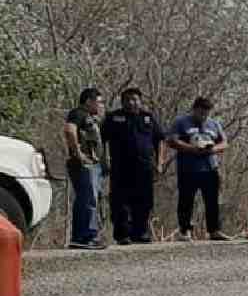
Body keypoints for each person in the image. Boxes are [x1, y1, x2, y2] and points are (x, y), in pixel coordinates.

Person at [102, 86, 166, 244]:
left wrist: (159, 163)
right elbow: (102, 140)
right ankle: (122, 235)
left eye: (135, 99)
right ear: (122, 102)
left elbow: (160, 141)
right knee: (120, 202)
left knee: (144, 201)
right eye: (127, 100)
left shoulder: (148, 118)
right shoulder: (113, 118)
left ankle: (141, 233)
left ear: (140, 101)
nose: (131, 103)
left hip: (144, 167)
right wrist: (104, 159)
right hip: (120, 167)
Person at [168, 97, 229, 241]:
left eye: (206, 113)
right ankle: (185, 231)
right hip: (188, 168)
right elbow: (172, 140)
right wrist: (192, 149)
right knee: (186, 200)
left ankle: (214, 230)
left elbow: (225, 142)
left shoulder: (214, 124)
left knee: (212, 200)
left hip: (210, 168)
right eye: (201, 112)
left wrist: (213, 149)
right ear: (194, 109)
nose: (204, 116)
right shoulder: (181, 122)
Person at [62, 87, 107, 250]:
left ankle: (82, 236)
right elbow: (69, 130)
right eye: (99, 102)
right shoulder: (78, 113)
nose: (101, 105)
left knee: (88, 198)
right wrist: (78, 153)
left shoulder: (92, 118)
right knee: (88, 199)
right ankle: (85, 236)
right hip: (84, 164)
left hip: (92, 163)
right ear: (89, 101)